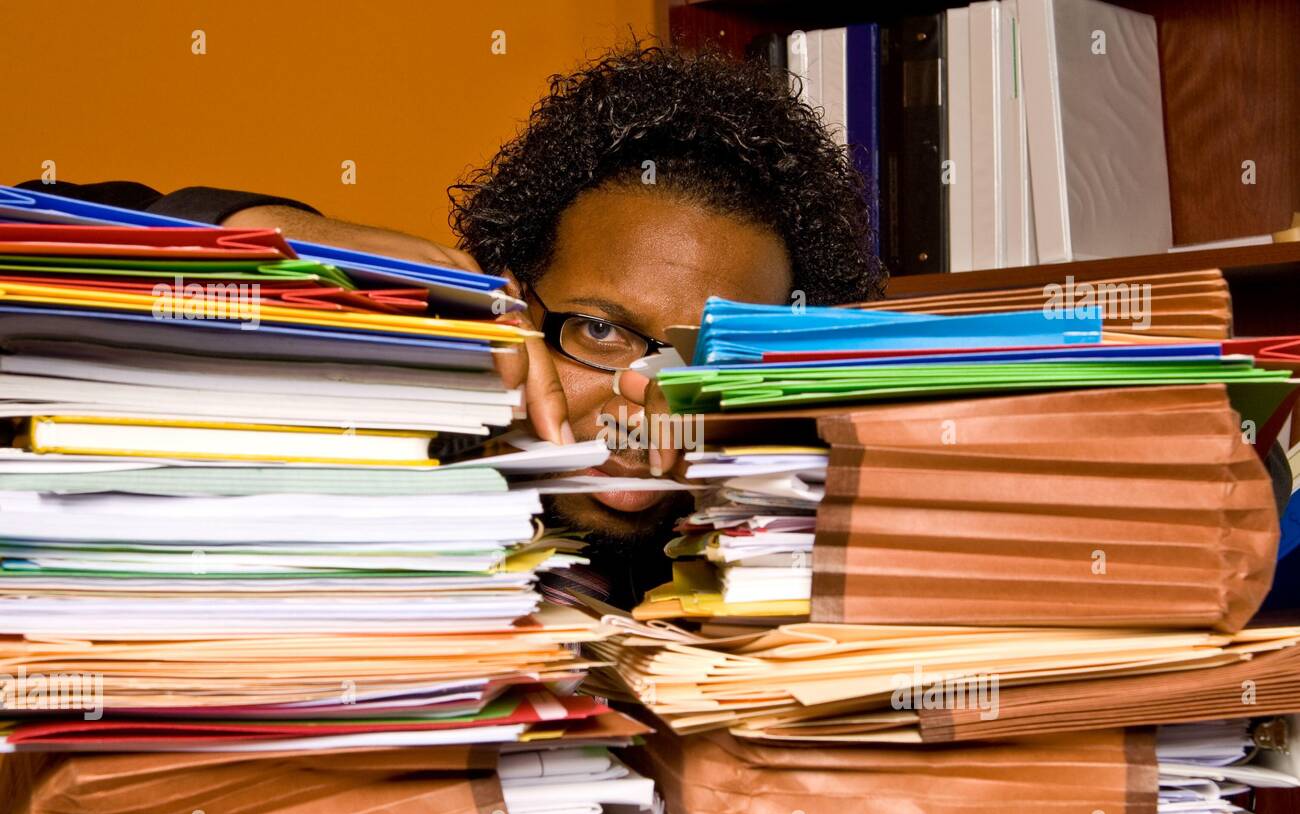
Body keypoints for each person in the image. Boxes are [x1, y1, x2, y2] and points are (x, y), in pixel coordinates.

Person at [23, 43, 883, 607]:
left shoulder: (805, 555)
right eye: (600, 332)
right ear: (508, 302)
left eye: (707, 358)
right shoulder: (359, 467)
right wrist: (271, 232)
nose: (643, 404)